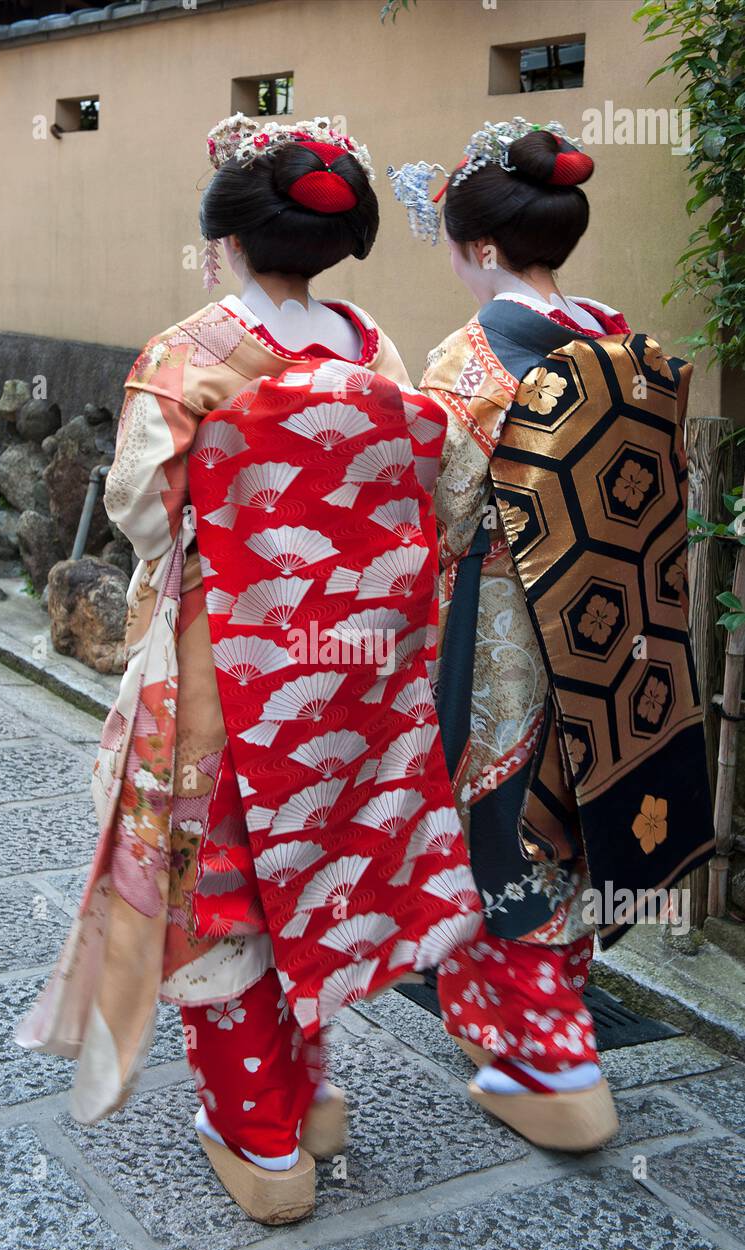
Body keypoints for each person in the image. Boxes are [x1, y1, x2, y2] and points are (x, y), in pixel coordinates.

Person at [17, 114, 482, 1225]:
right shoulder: (374, 350)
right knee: (314, 869)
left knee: (220, 896)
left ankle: (264, 1139)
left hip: (220, 679)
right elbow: (446, 493)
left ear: (223, 235)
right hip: (349, 683)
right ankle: (313, 1096)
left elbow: (141, 510)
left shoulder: (188, 354)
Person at [389, 118, 714, 1151]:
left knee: (496, 814)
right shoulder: (615, 337)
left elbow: (438, 508)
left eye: (448, 242)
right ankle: (549, 1022)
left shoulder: (472, 354)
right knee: (579, 806)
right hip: (614, 627)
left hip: (505, 627)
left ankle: (548, 1055)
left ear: (480, 249)